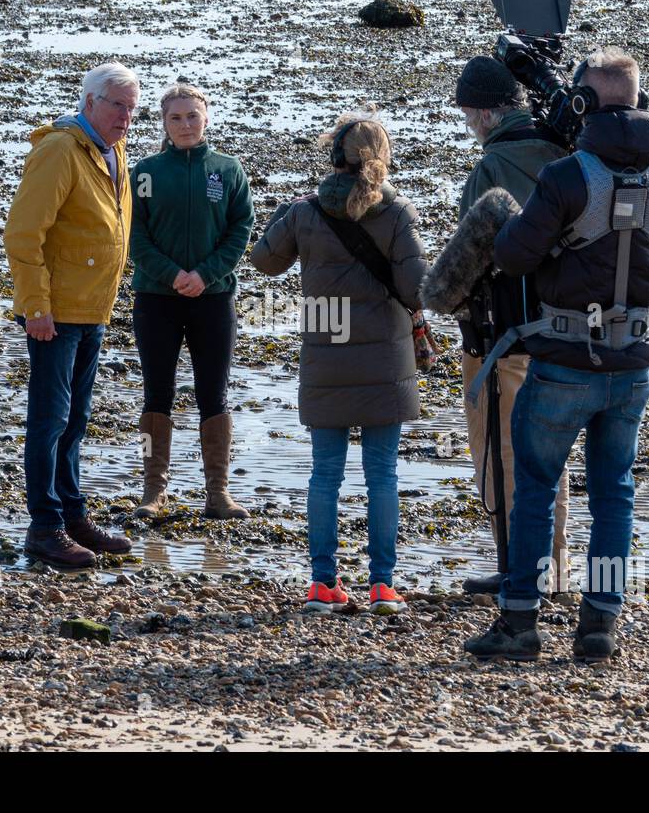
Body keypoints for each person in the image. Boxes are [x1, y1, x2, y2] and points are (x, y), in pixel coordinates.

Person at [464, 47, 649, 662]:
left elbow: (515, 255)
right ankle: (599, 624)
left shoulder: (568, 175)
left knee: (536, 488)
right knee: (614, 494)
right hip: (632, 363)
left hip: (564, 358)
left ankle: (519, 622)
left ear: (584, 102)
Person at [251, 111, 429, 615]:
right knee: (383, 475)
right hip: (385, 359)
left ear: (335, 158)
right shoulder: (398, 214)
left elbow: (264, 260)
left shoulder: (305, 212)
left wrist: (287, 213)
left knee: (324, 474)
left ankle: (322, 584)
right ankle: (382, 585)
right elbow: (418, 289)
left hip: (325, 354)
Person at [2, 61, 140, 569]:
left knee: (75, 419)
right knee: (50, 420)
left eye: (132, 108)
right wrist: (36, 306)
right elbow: (22, 234)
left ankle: (74, 515)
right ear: (89, 102)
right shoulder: (60, 150)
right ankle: (45, 527)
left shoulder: (111, 150)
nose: (126, 116)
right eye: (117, 106)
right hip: (54, 313)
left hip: (92, 309)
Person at [450, 55, 572, 597]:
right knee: (550, 452)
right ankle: (557, 564)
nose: (468, 125)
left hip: (503, 331)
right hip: (564, 327)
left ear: (481, 112)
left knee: (499, 450)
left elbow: (473, 253)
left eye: (467, 114)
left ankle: (513, 564)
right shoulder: (564, 149)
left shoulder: (491, 167)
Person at [128, 83, 254, 520]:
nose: (185, 124)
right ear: (163, 123)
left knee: (213, 396)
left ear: (206, 118)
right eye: (175, 118)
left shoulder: (228, 169)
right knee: (154, 396)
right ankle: (152, 490)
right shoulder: (144, 172)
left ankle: (218, 492)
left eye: (192, 116)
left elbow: (241, 230)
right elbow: (133, 235)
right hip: (155, 298)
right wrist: (172, 275)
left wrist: (204, 274)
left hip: (213, 299)